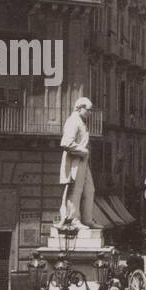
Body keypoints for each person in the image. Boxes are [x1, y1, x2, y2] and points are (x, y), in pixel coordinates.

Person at [57, 97, 96, 228]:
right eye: (88, 110)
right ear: (79, 107)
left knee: (89, 190)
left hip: (83, 161)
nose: (90, 113)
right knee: (76, 190)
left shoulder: (81, 121)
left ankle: (87, 219)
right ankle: (73, 219)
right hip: (75, 161)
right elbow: (66, 143)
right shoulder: (73, 121)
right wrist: (83, 151)